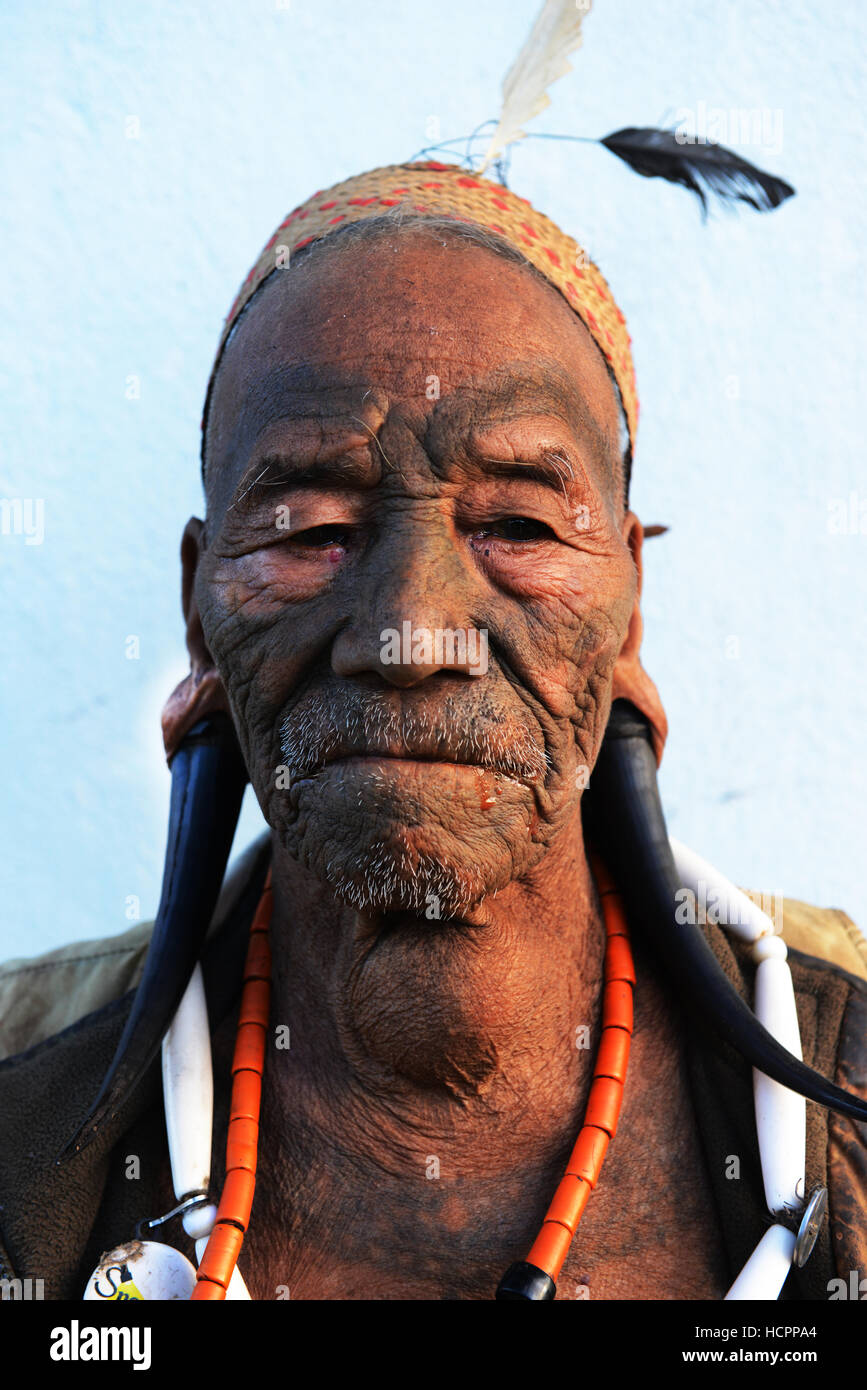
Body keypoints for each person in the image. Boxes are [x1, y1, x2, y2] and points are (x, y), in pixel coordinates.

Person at [2, 163, 865, 1302]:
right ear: (198, 620)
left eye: (516, 522)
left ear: (630, 612)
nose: (413, 632)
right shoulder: (25, 1110)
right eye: (309, 525)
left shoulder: (839, 1072)